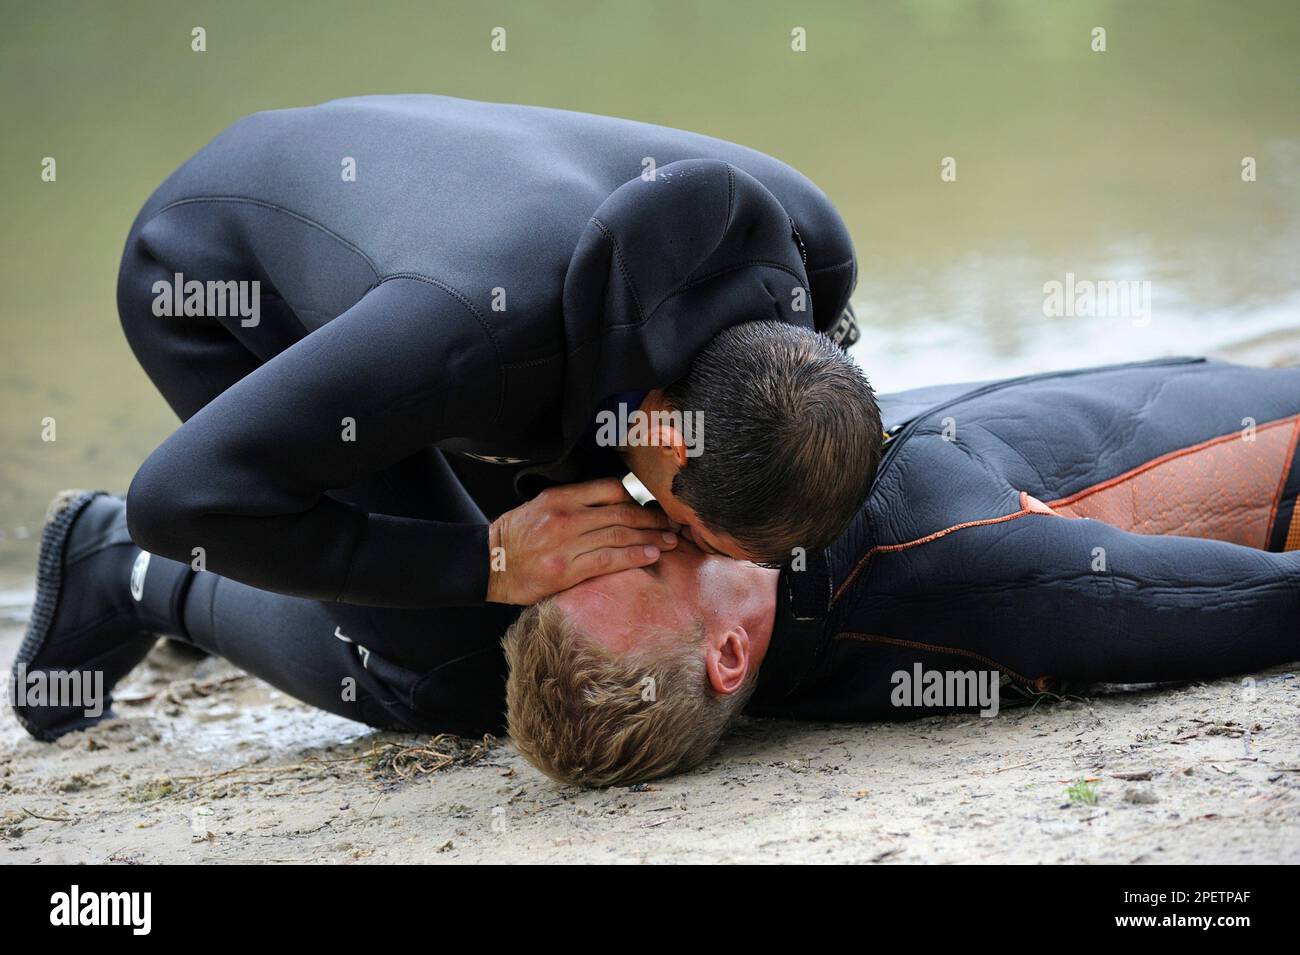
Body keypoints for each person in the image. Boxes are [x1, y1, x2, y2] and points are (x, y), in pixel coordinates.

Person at [12, 94, 884, 741]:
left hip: (428, 233)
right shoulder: (478, 347)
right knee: (454, 665)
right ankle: (118, 568)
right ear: (663, 432)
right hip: (216, 281)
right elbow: (179, 497)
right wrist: (488, 560)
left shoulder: (811, 251)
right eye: (693, 532)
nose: (680, 545)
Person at [503, 358, 1300, 787]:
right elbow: (1254, 602)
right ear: (727, 656)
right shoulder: (942, 563)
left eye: (579, 564)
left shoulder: (774, 595)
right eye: (642, 564)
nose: (630, 529)